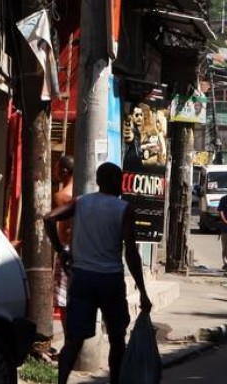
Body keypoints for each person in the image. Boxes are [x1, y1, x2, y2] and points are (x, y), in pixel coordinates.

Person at [44, 162, 152, 384]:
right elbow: (131, 253)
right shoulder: (124, 209)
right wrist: (142, 291)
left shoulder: (82, 202)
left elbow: (49, 218)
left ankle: (61, 381)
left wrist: (61, 252)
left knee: (73, 340)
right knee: (116, 339)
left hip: (82, 278)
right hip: (110, 280)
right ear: (114, 182)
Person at [51, 154, 75, 325]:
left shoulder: (61, 196)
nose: (55, 171)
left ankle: (68, 341)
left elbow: (51, 221)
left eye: (57, 167)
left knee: (63, 299)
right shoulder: (81, 193)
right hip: (79, 247)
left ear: (65, 171)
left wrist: (59, 249)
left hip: (65, 246)